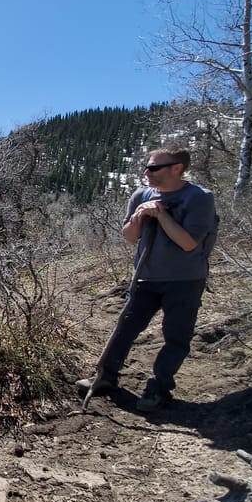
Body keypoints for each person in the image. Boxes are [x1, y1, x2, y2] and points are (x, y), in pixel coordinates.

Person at [79, 146, 218, 411]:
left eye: (154, 168)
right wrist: (140, 215)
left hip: (185, 280)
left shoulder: (199, 198)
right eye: (147, 167)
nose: (147, 172)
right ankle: (105, 377)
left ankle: (159, 388)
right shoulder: (141, 195)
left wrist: (162, 215)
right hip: (145, 278)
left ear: (177, 168)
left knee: (176, 336)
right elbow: (131, 237)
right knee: (125, 328)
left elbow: (189, 243)